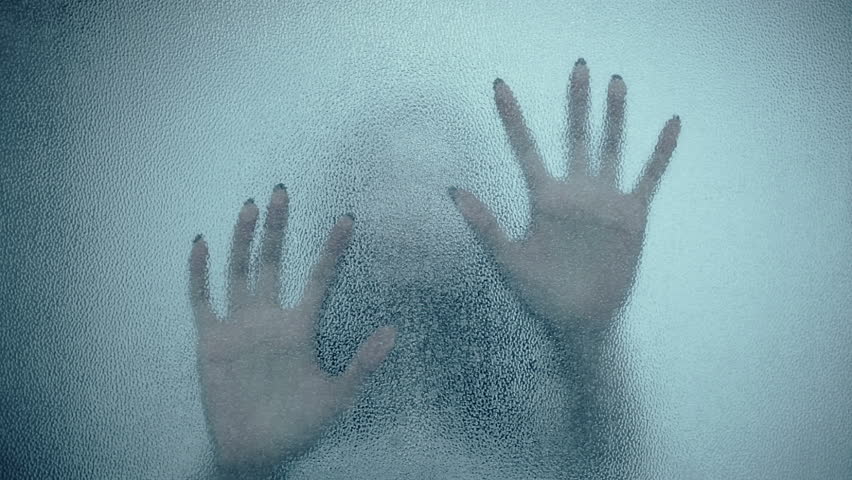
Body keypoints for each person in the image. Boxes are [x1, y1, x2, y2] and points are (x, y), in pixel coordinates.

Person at [188, 58, 681, 479]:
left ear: (474, 205)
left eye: (437, 184)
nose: (411, 207)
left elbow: (597, 465)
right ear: (345, 204)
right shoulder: (286, 358)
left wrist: (584, 341)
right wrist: (244, 469)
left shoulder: (519, 365)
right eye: (391, 180)